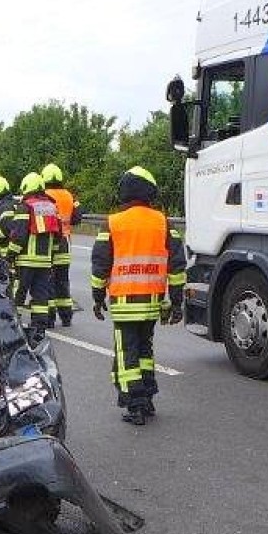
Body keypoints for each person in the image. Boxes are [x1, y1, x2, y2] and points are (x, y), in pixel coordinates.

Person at [90, 166, 185, 425]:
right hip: (152, 303)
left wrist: (97, 297)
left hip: (124, 303)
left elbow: (100, 264)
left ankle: (135, 405)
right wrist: (177, 303)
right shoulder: (163, 222)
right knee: (144, 351)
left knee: (127, 355)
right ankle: (148, 397)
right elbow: (177, 266)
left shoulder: (113, 223)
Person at [6, 172, 60, 336]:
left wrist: (10, 255)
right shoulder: (52, 207)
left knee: (18, 294)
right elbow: (58, 235)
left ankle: (12, 327)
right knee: (41, 297)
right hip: (45, 261)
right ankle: (39, 329)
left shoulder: (25, 206)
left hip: (26, 260)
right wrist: (52, 256)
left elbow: (19, 235)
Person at [41, 163, 80, 326]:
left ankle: (49, 318)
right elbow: (77, 218)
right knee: (62, 280)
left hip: (49, 242)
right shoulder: (69, 196)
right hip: (65, 242)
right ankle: (66, 317)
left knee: (47, 280)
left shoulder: (44, 195)